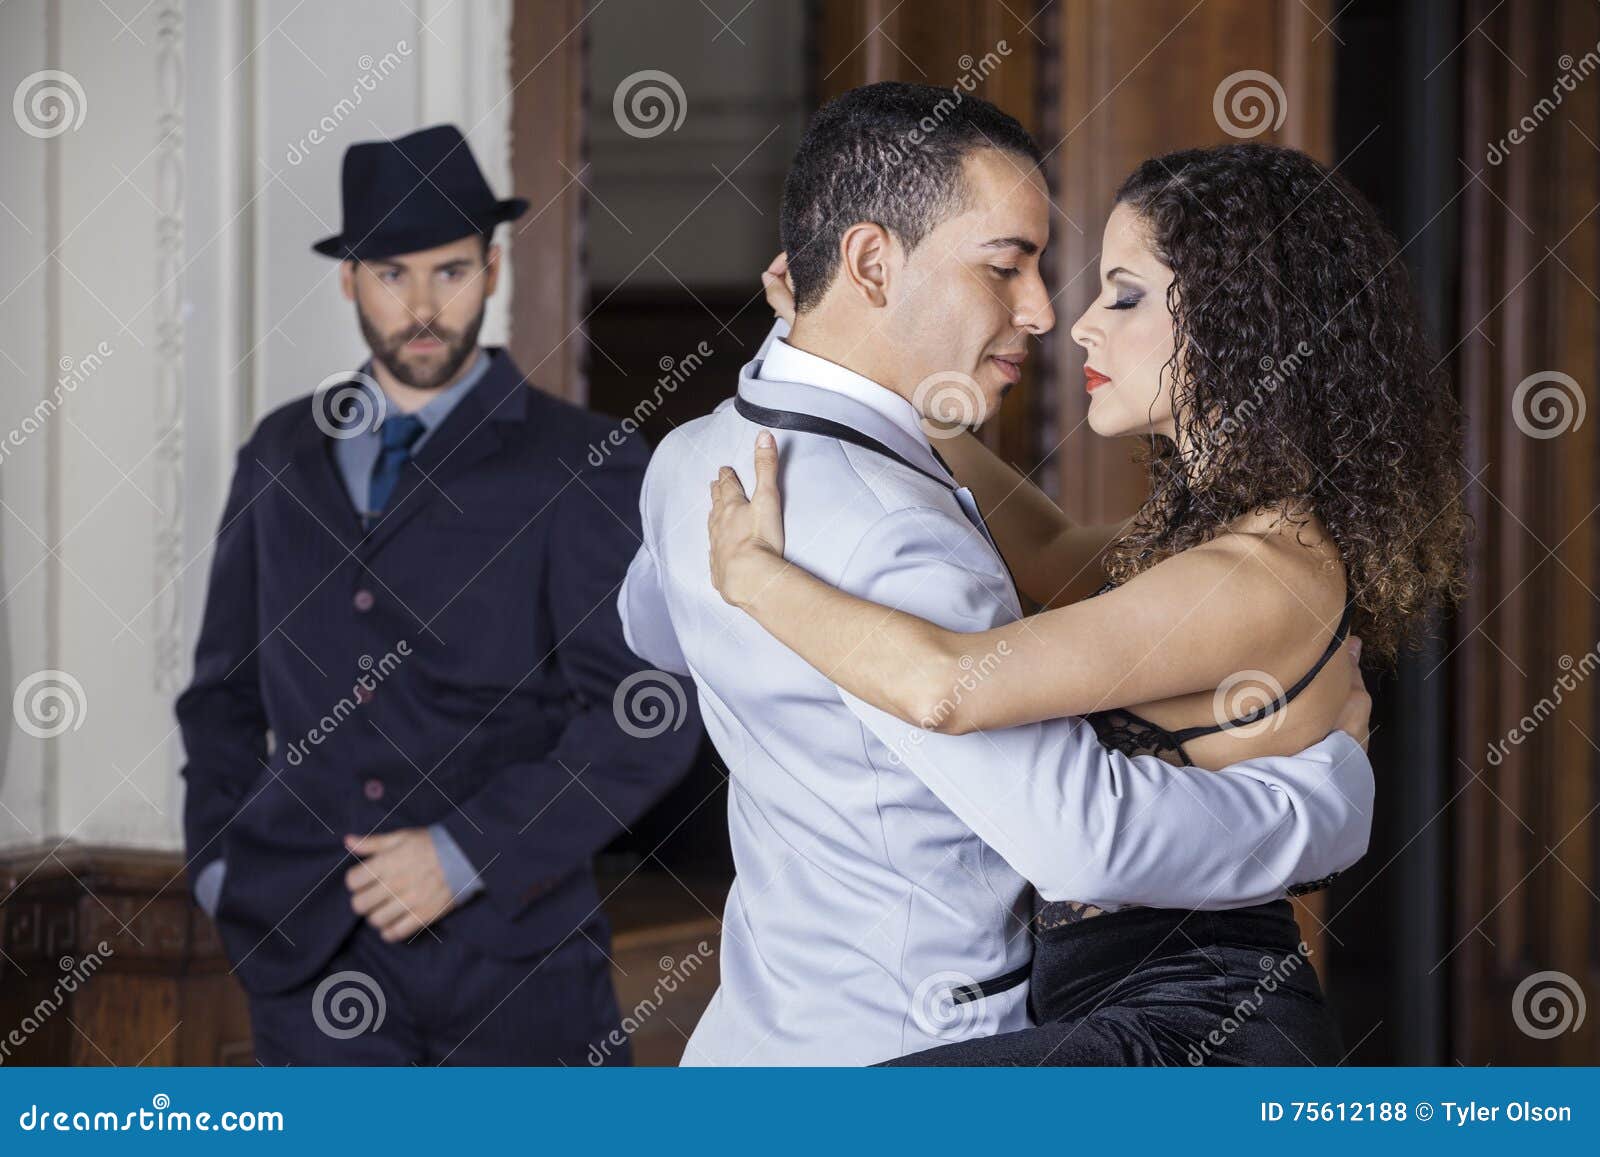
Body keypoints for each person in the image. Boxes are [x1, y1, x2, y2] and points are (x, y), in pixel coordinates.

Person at [618, 83, 1376, 1067]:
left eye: (1117, 291)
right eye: (1006, 266)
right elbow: (1074, 831)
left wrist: (808, 341)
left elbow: (656, 631)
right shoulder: (898, 534)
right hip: (915, 1038)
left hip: (771, 1028)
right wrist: (1321, 804)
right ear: (870, 262)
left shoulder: (694, 456)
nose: (1054, 315)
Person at [177, 124, 699, 1065]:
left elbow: (647, 712)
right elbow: (221, 696)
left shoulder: (584, 464)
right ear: (349, 280)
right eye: (390, 275)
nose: (421, 306)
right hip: (307, 964)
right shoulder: (280, 454)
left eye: (449, 272)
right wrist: (220, 870)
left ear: (493, 270)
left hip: (520, 973)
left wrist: (466, 852)